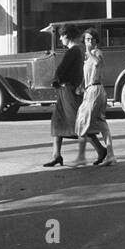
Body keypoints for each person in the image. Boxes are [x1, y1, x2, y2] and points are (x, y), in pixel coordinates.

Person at [43, 24, 106, 168]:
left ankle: (101, 150)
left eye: (61, 35)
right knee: (58, 121)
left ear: (67, 36)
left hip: (69, 91)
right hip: (67, 91)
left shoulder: (73, 51)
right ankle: (56, 155)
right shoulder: (78, 50)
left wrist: (56, 80)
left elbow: (62, 69)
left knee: (79, 123)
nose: (60, 38)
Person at [74, 28, 116, 167]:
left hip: (96, 90)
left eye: (92, 39)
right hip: (90, 91)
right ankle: (107, 153)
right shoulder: (87, 57)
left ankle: (89, 156)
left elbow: (97, 63)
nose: (90, 41)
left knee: (85, 121)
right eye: (87, 39)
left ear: (96, 40)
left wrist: (88, 51)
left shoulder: (96, 53)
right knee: (94, 123)